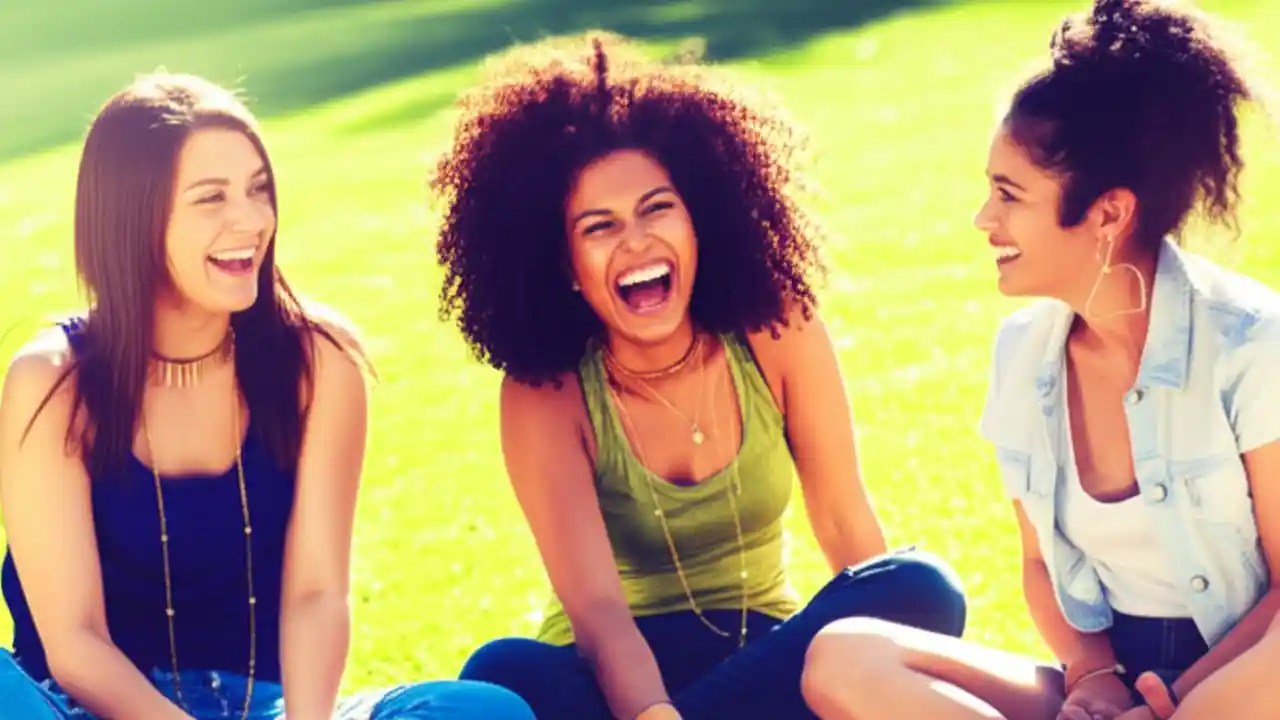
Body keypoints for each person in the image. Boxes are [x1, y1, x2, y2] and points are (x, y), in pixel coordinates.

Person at [431, 32, 967, 720]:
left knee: (916, 587)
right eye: (600, 227)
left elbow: (843, 521)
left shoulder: (777, 330)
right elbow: (597, 613)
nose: (636, 241)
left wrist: (889, 661)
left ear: (700, 220)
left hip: (763, 649)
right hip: (609, 679)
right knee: (501, 675)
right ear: (563, 265)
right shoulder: (547, 392)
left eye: (657, 208)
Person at [0, 73, 534, 720]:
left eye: (258, 190)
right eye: (211, 198)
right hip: (81, 711)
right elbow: (75, 644)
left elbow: (315, 593)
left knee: (479, 710)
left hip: (262, 710)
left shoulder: (318, 362)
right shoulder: (53, 381)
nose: (250, 220)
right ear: (134, 217)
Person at [799, 2, 1279, 719]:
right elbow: (1036, 563)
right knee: (844, 655)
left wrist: (1168, 703)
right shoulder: (1023, 353)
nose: (983, 220)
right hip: (1114, 688)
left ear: (1108, 213)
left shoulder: (1250, 341)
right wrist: (1092, 677)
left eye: (1008, 194)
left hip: (1241, 679)